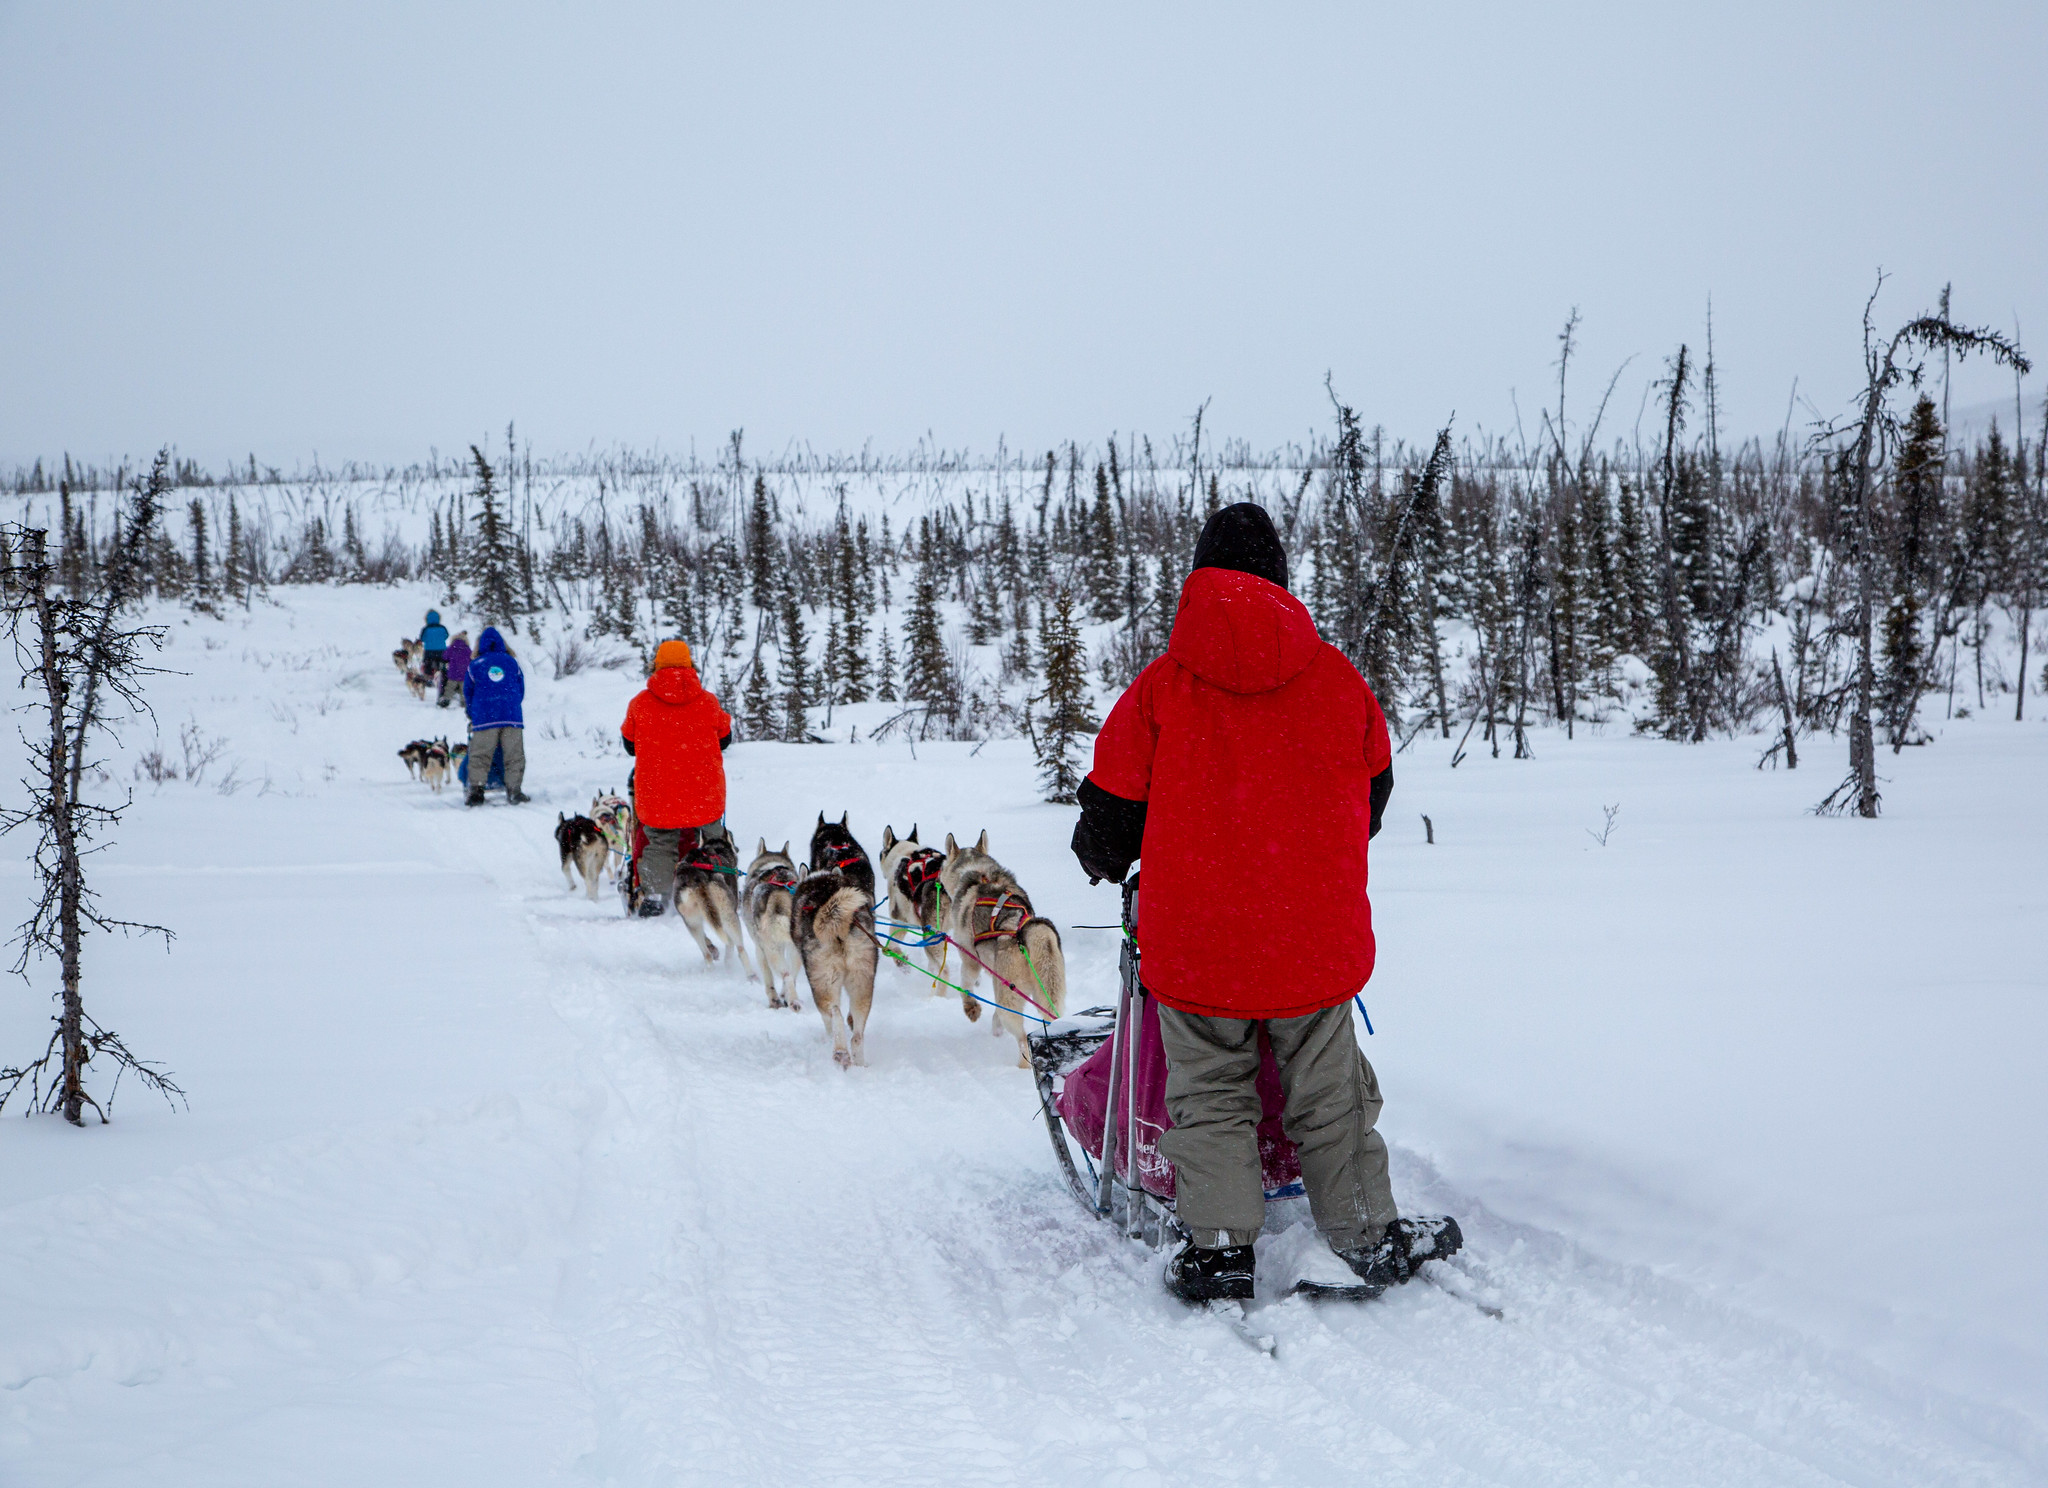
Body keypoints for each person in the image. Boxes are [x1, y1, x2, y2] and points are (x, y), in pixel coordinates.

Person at [1071, 502, 1454, 1304]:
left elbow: (1107, 821)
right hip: (1310, 943)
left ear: (1199, 577)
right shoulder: (1340, 682)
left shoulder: (1162, 688)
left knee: (1208, 1093)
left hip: (1198, 945)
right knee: (1330, 1095)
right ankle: (1368, 1234)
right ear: (1282, 578)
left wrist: (1114, 857)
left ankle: (1216, 1252)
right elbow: (1374, 797)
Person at [620, 640, 733, 918]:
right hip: (703, 792)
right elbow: (725, 738)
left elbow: (629, 744)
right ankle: (721, 888)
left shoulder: (640, 703)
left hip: (659, 793)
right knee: (713, 838)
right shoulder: (708, 701)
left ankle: (656, 896)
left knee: (659, 841)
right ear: (690, 665)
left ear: (656, 666)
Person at [462, 626, 527, 805]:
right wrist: (510, 705)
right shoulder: (511, 663)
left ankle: (476, 791)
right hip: (511, 716)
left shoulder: (475, 665)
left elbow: (468, 692)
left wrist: (472, 711)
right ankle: (514, 791)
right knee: (514, 755)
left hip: (485, 717)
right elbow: (520, 689)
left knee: (481, 755)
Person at [439, 630, 471, 709]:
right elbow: (472, 658)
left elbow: (445, 657)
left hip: (453, 672)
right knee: (463, 689)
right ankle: (464, 701)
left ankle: (446, 700)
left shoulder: (451, 648)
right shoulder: (467, 649)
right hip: (464, 673)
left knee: (450, 688)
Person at [418, 609, 449, 685]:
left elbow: (422, 638)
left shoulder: (426, 628)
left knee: (428, 664)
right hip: (441, 650)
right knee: (442, 665)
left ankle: (429, 679)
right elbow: (446, 636)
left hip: (429, 650)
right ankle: (443, 679)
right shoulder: (442, 628)